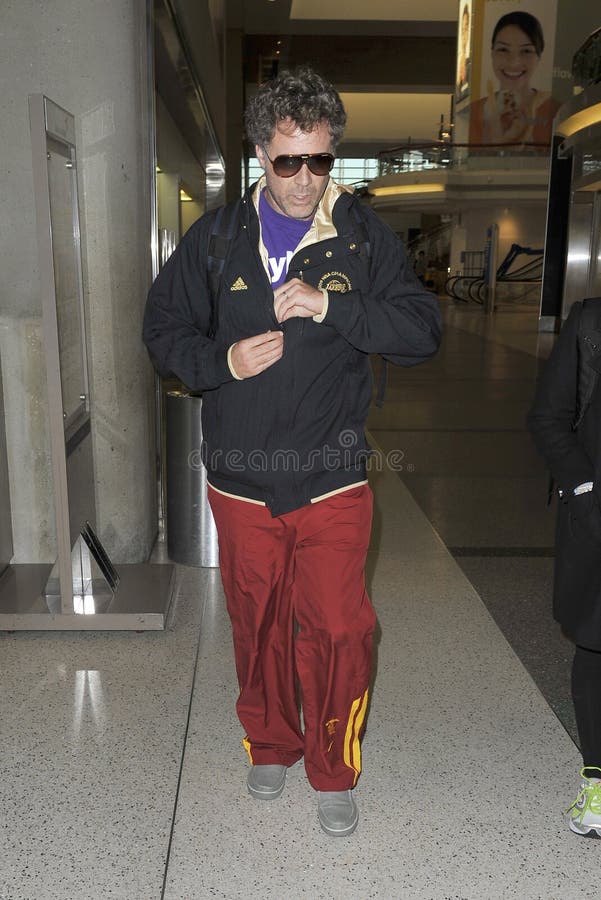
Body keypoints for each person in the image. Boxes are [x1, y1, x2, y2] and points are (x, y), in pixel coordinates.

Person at [143, 66, 442, 837]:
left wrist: (332, 305)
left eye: (319, 161)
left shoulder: (363, 239)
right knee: (258, 620)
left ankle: (332, 766)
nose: (305, 180)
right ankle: (270, 743)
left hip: (332, 476)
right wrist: (224, 363)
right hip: (243, 482)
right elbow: (163, 334)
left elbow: (419, 334)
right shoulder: (213, 240)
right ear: (257, 153)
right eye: (287, 161)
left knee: (341, 626)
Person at [528, 299, 601, 838]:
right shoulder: (591, 323)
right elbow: (548, 416)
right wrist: (584, 488)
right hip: (598, 518)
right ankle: (597, 780)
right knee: (597, 646)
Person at [469, 11, 560, 146]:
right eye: (503, 50)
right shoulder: (474, 112)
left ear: (539, 57)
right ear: (492, 53)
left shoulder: (555, 111)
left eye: (526, 51)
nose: (514, 63)